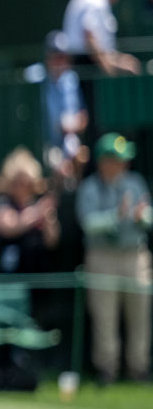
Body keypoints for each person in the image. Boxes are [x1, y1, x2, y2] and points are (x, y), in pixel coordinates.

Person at [76, 133, 152, 385]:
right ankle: (107, 370)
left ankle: (138, 368)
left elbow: (148, 216)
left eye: (124, 160)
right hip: (102, 258)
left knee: (139, 314)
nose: (123, 165)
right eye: (117, 160)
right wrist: (115, 217)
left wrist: (142, 217)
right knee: (104, 315)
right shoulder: (89, 187)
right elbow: (88, 223)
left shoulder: (135, 183)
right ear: (103, 161)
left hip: (134, 256)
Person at [0, 148, 60, 277]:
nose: (22, 187)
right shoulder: (3, 203)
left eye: (26, 183)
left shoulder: (38, 204)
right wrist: (38, 212)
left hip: (37, 275)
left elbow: (52, 240)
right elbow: (10, 227)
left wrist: (48, 218)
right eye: (17, 183)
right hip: (10, 276)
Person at [61, 0, 140, 77]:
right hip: (85, 63)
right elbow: (89, 37)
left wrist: (118, 59)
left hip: (85, 60)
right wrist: (108, 68)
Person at [38, 31, 87, 163]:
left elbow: (83, 115)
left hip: (68, 141)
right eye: (56, 57)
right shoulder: (36, 78)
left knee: (80, 155)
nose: (61, 62)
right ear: (47, 57)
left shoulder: (72, 80)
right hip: (41, 143)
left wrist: (75, 124)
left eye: (64, 57)